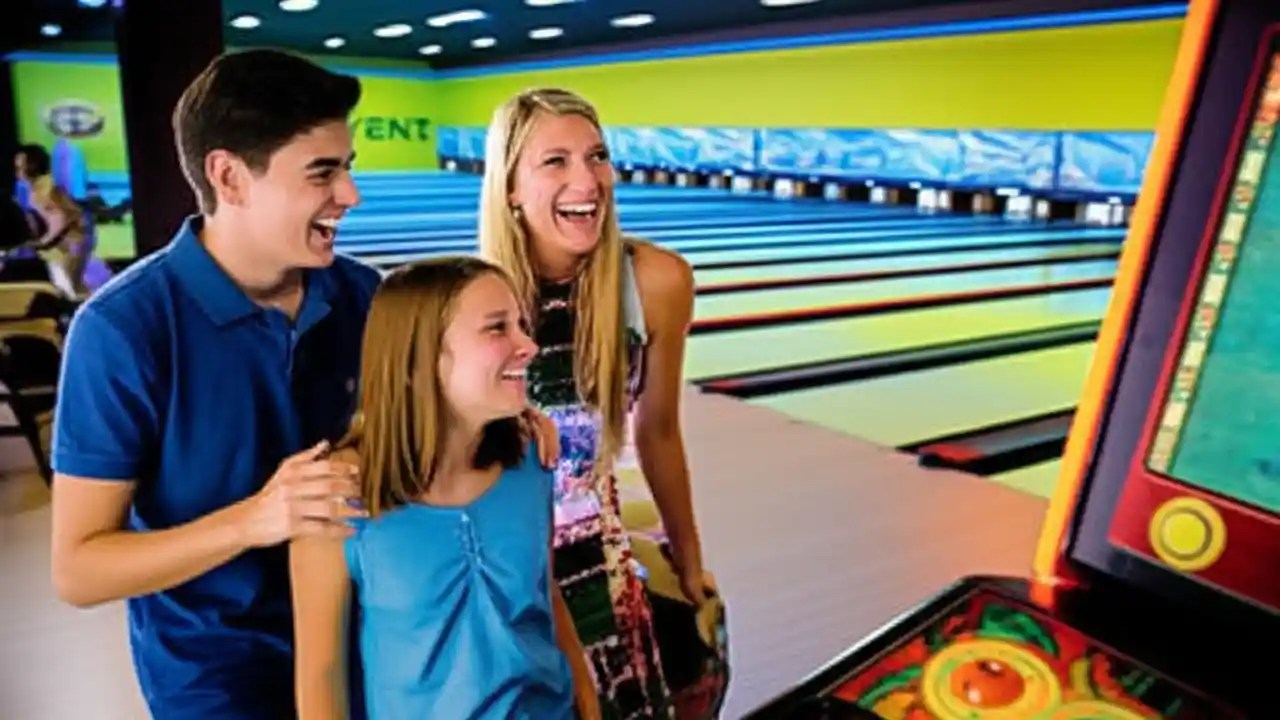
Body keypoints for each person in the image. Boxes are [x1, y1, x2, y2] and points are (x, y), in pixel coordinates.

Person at [48, 48, 554, 719]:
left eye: (347, 168)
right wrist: (255, 519)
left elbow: (413, 432)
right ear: (228, 177)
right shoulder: (122, 333)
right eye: (323, 172)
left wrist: (503, 420)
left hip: (372, 651)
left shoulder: (365, 297)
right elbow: (79, 570)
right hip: (222, 682)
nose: (350, 195)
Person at [479, 88, 729, 719]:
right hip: (507, 565)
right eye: (554, 161)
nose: (587, 179)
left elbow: (660, 432)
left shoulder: (655, 281)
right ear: (510, 186)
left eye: (597, 156)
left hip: (598, 555)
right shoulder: (473, 301)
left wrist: (690, 561)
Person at [291, 256, 601, 720]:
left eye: (521, 324)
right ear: (421, 359)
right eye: (498, 329)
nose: (530, 346)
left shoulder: (531, 460)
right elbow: (321, 681)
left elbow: (547, 599)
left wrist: (591, 709)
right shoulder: (336, 496)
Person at [14, 142, 93, 296]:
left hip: (70, 245)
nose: (17, 170)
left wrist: (42, 243)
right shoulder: (41, 186)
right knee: (75, 287)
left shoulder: (42, 190)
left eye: (20, 165)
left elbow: (60, 217)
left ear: (31, 165)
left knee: (69, 289)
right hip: (73, 242)